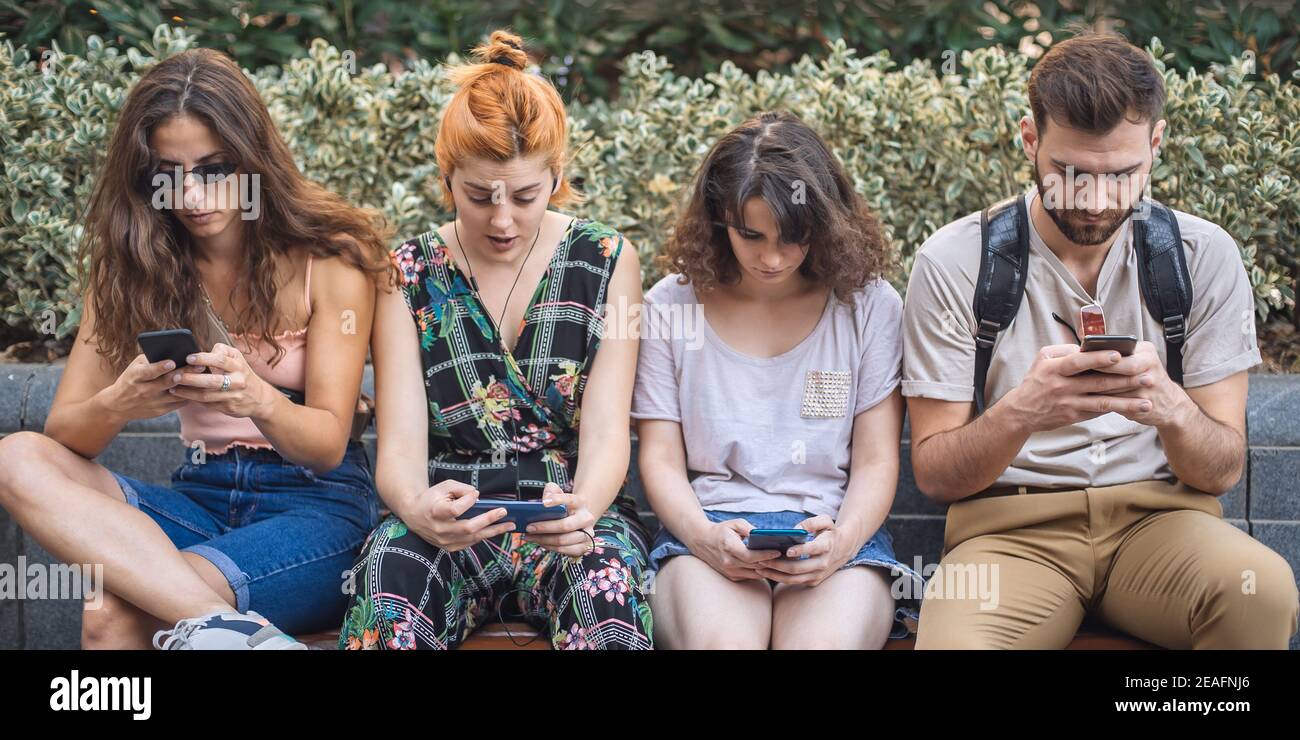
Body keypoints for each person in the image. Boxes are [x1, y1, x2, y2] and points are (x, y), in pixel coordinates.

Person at [903, 33, 1299, 649]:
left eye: (1121, 175)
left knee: (1263, 590)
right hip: (1010, 534)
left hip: (1163, 523)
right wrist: (1024, 410)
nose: (1094, 201)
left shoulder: (1201, 255)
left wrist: (1167, 405)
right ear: (1030, 141)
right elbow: (935, 475)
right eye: (1070, 173)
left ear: (1156, 146)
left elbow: (1222, 468)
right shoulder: (956, 260)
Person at [0, 48, 391, 649]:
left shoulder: (329, 257)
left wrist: (261, 400)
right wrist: (120, 403)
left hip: (315, 510)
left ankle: (221, 629)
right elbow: (64, 439)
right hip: (199, 499)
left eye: (213, 168)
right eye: (169, 172)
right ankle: (232, 631)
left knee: (112, 615)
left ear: (252, 160)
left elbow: (327, 445)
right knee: (15, 457)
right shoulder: (135, 267)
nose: (192, 194)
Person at [338, 31, 653, 650]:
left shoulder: (609, 259)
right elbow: (400, 446)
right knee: (388, 592)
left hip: (569, 515)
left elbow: (608, 429)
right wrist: (416, 504)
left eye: (527, 196)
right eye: (479, 196)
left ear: (557, 178)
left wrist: (583, 508)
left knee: (606, 594)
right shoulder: (407, 273)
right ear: (446, 179)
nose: (502, 220)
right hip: (447, 519)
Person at [633, 111, 924, 649]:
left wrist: (840, 544)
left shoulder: (867, 306)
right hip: (709, 533)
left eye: (793, 237)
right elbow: (660, 458)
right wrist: (705, 537)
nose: (771, 258)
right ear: (721, 216)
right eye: (752, 235)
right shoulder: (669, 306)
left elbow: (879, 459)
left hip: (835, 533)